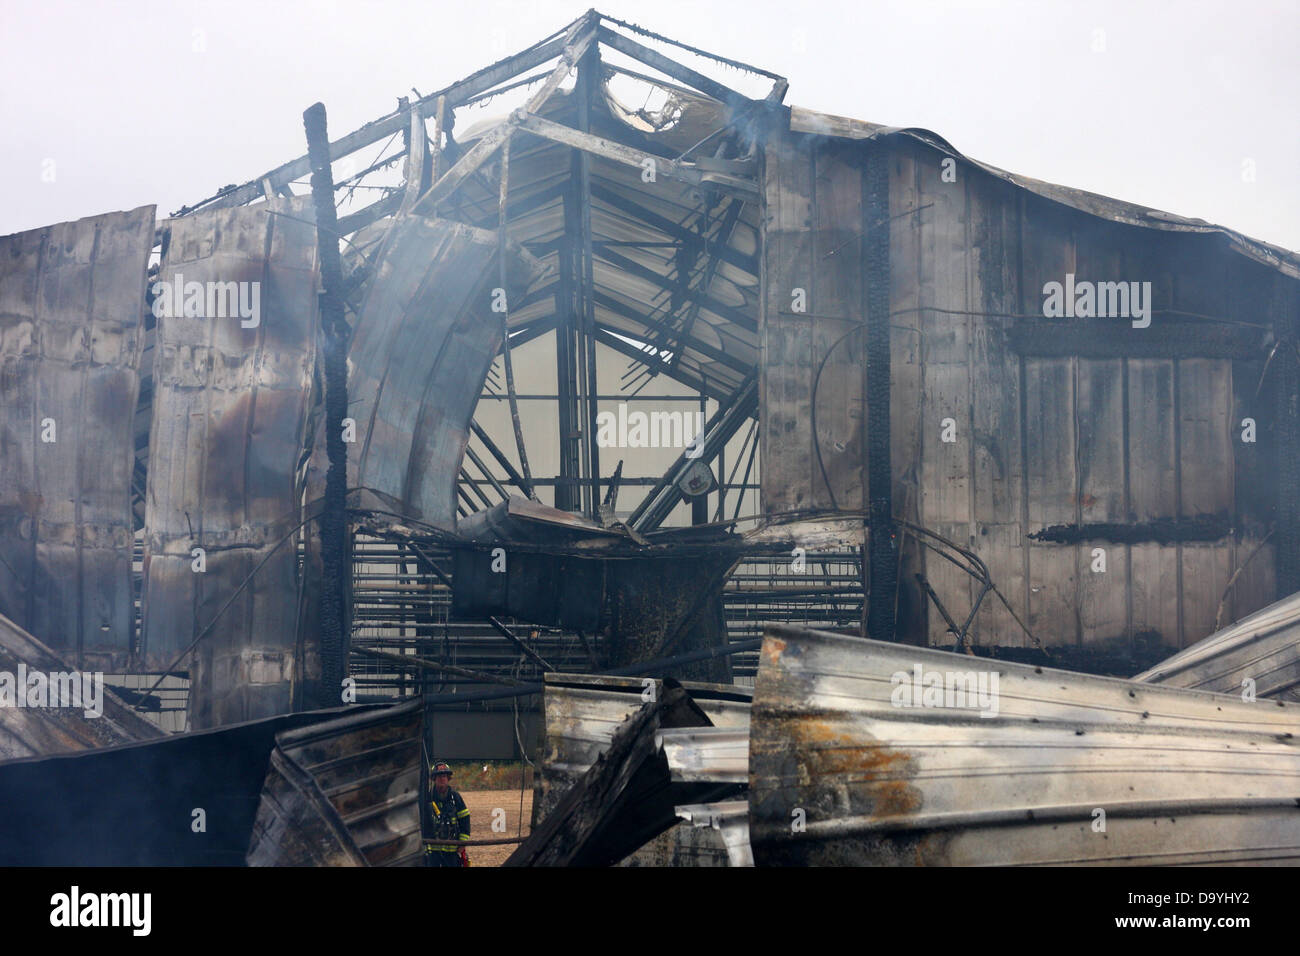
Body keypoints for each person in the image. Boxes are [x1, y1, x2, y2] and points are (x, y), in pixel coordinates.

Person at [424, 761, 470, 867]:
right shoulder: (427, 798)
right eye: (439, 776)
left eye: (444, 776)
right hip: (432, 850)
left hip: (452, 850)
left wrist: (462, 843)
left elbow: (465, 820)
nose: (442, 778)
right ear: (434, 779)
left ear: (448, 778)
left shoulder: (455, 797)